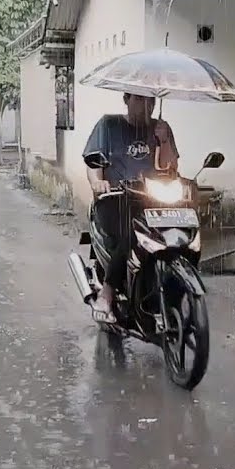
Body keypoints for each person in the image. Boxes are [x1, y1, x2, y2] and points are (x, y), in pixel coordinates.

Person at [84, 92, 179, 322]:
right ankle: (107, 293)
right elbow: (92, 161)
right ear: (126, 100)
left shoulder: (161, 128)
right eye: (139, 99)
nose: (146, 106)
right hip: (115, 199)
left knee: (177, 229)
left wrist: (164, 141)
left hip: (152, 200)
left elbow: (171, 168)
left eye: (150, 101)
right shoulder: (108, 125)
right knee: (134, 232)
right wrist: (98, 182)